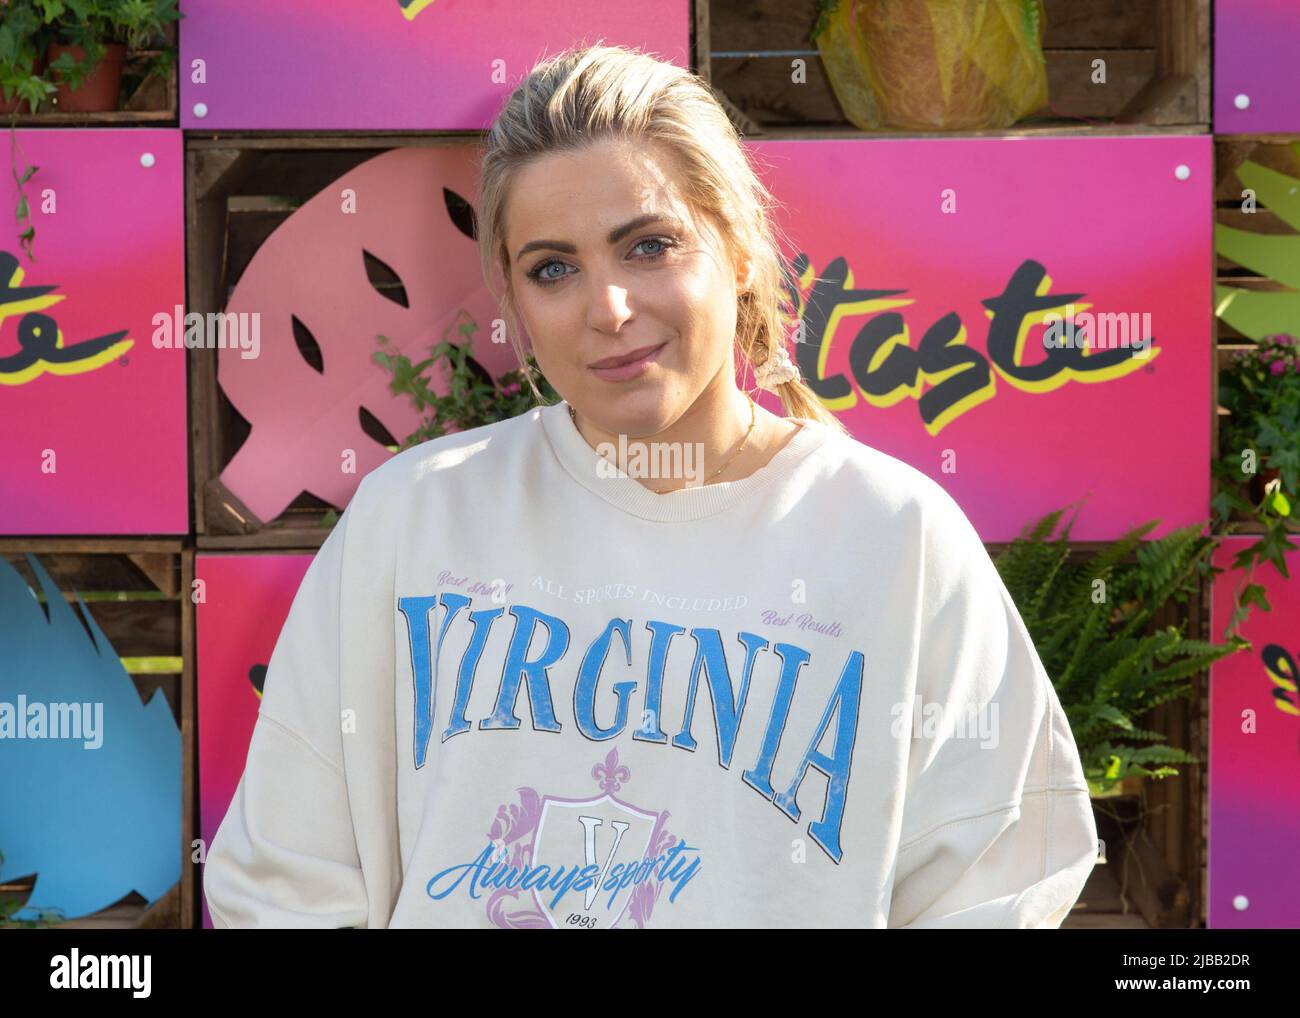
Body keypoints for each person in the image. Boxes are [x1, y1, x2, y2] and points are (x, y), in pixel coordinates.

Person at [203, 43, 1098, 929]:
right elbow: (283, 884)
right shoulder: (411, 520)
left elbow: (996, 885)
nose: (609, 309)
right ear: (512, 306)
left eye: (649, 246)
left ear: (739, 250)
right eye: (553, 269)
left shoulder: (894, 536)